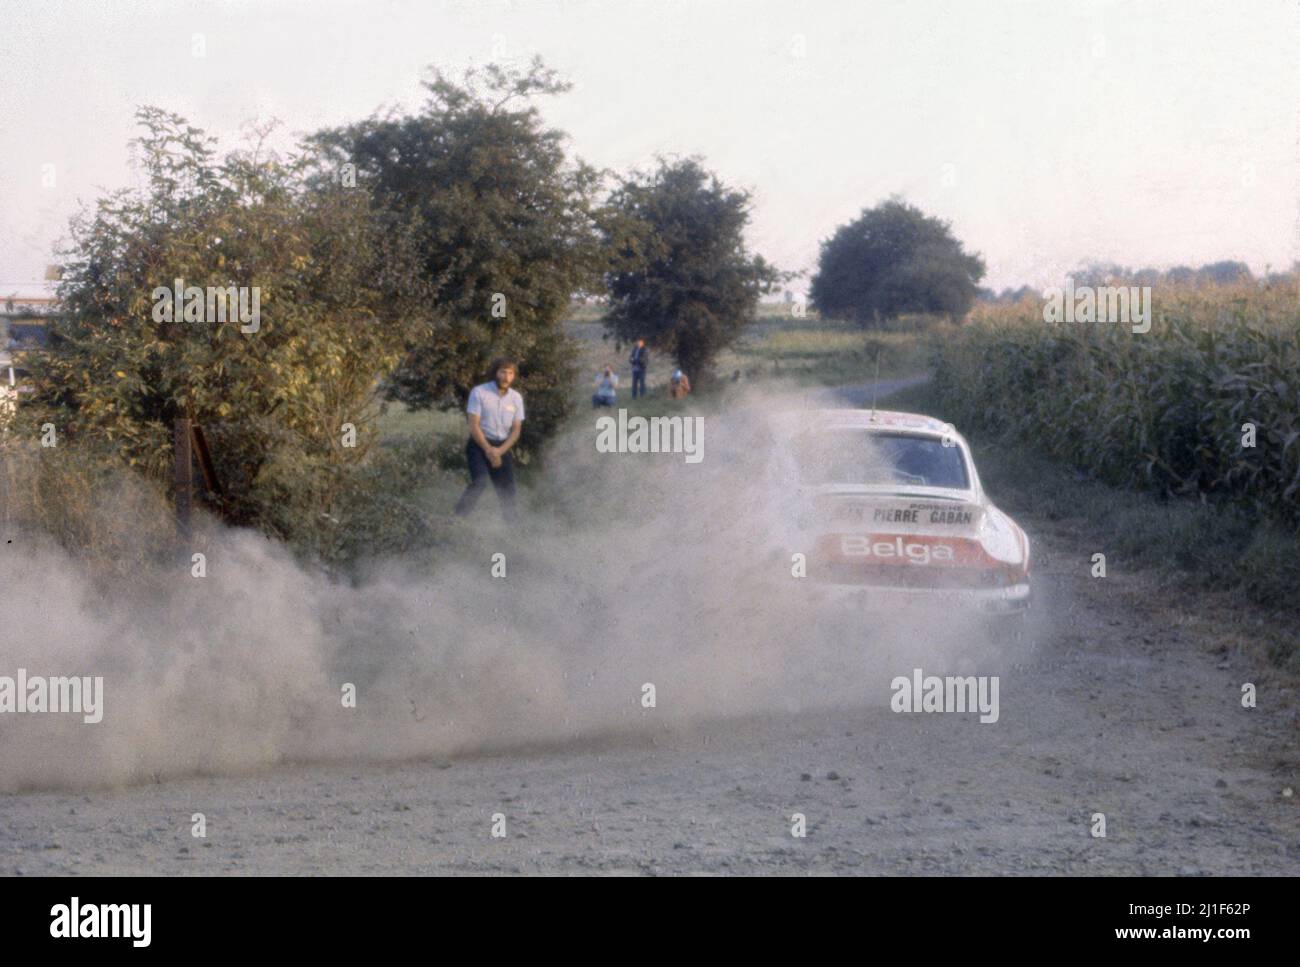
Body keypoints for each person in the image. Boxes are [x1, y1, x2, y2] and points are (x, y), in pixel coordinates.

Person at [454, 358, 524, 522]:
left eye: (510, 373)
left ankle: (513, 529)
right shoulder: (479, 392)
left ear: (514, 376)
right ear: (495, 373)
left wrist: (499, 451)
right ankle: (457, 519)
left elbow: (516, 430)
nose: (506, 377)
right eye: (503, 372)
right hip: (479, 445)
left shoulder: (516, 398)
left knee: (508, 491)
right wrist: (489, 450)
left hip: (502, 447)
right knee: (479, 482)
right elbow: (474, 425)